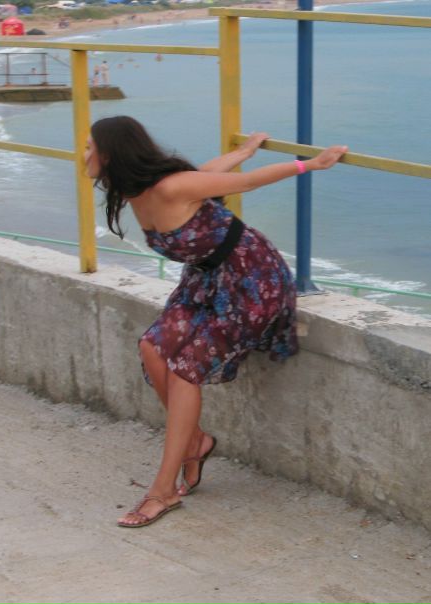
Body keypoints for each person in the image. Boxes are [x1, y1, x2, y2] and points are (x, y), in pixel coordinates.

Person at [84, 116, 348, 528]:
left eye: (89, 147)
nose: (83, 154)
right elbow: (206, 174)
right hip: (206, 279)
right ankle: (196, 441)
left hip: (251, 278)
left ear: (111, 155)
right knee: (151, 348)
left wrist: (311, 164)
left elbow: (246, 183)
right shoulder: (139, 189)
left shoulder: (168, 188)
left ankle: (163, 491)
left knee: (184, 369)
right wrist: (244, 151)